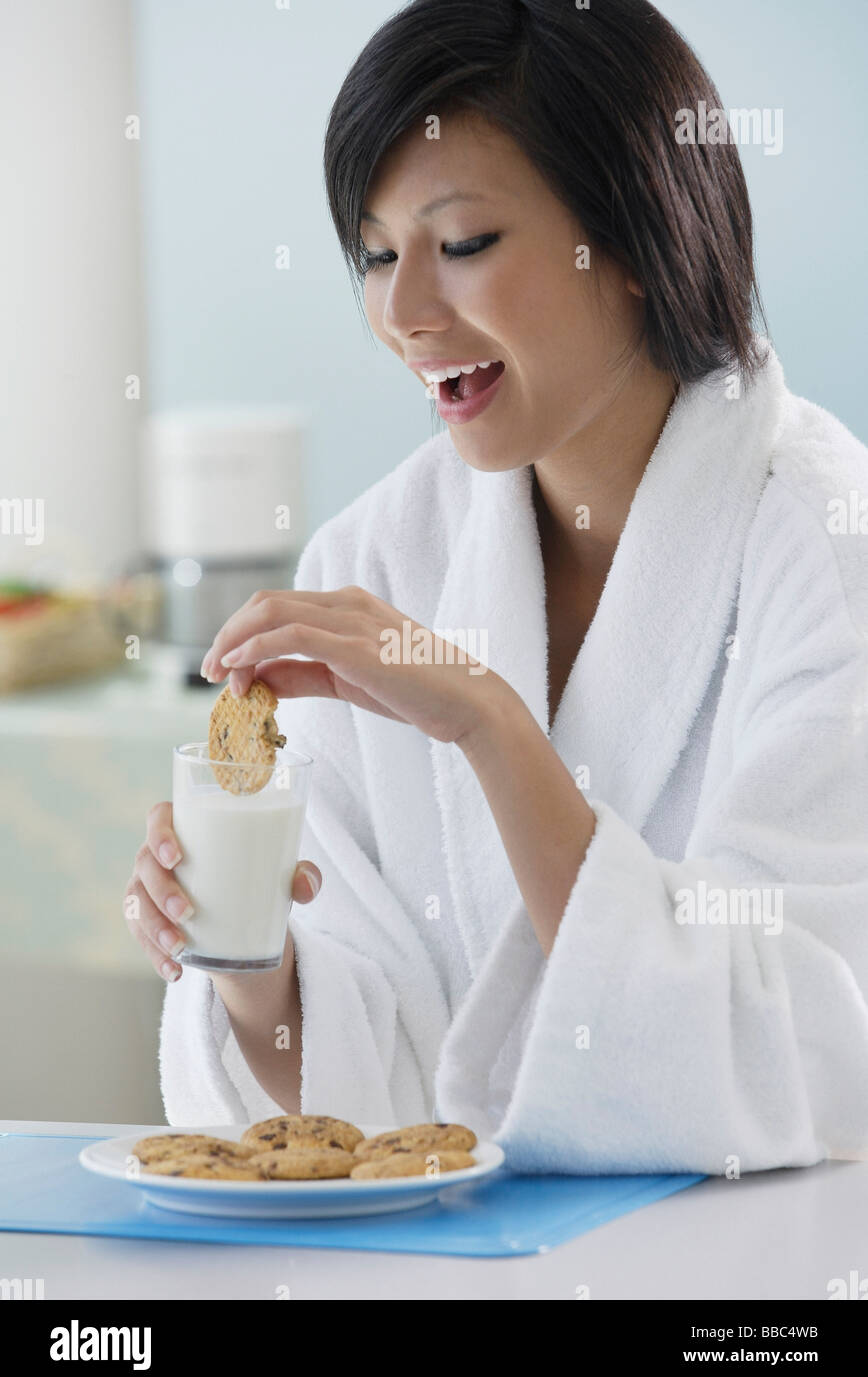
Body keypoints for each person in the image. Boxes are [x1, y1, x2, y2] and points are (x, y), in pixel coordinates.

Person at [127, 0, 868, 1174]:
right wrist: (255, 966)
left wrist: (486, 723)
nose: (404, 313)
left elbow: (810, 1054)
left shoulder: (830, 550)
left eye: (462, 243)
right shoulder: (371, 562)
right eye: (375, 255)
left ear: (631, 238)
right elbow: (377, 1094)